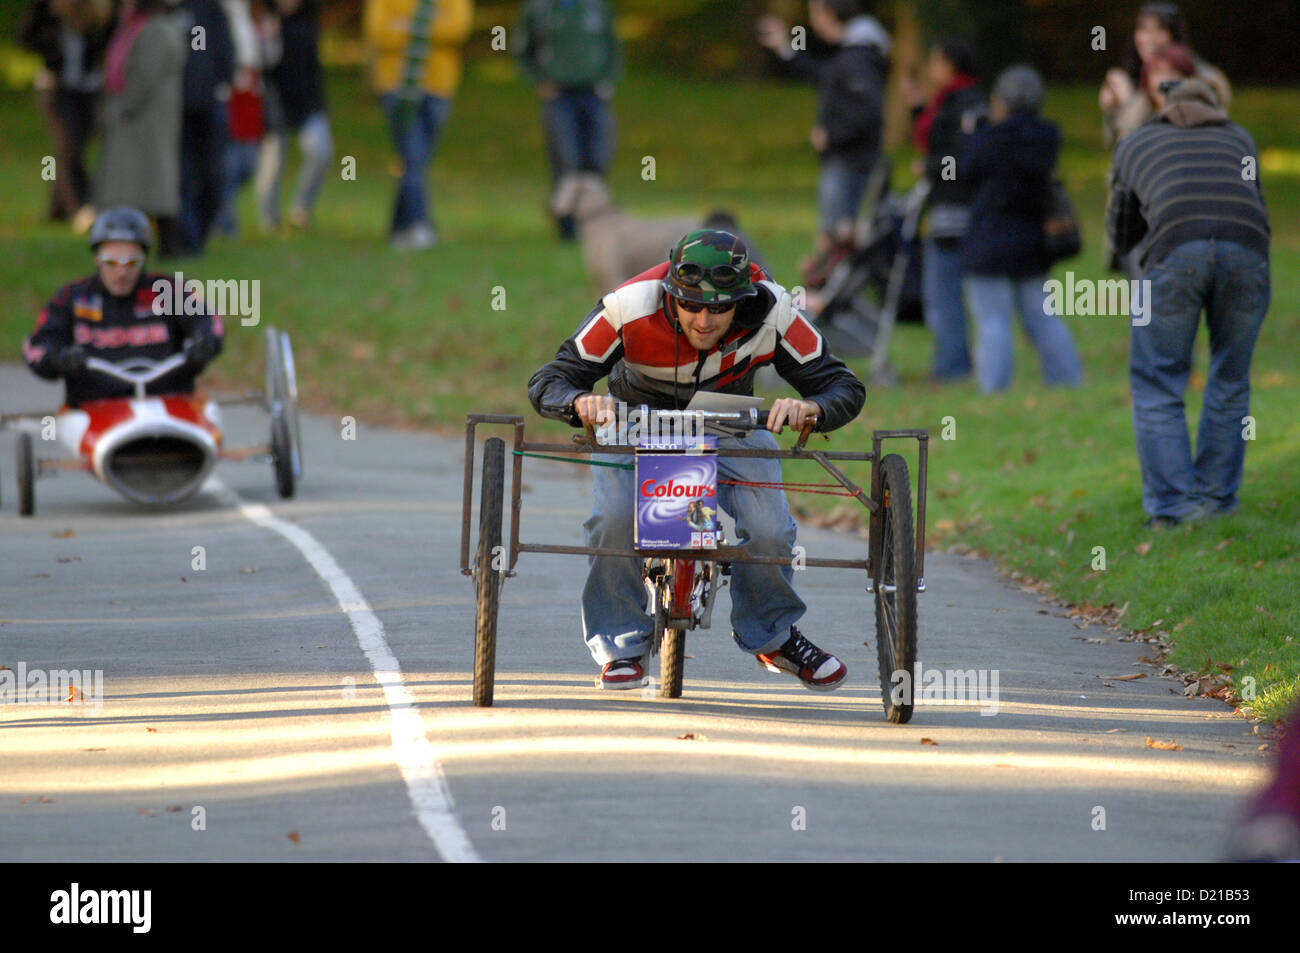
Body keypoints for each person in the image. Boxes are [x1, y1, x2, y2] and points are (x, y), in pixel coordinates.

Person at [528, 228, 865, 691]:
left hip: (730, 424)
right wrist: (579, 401)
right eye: (691, 306)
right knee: (614, 517)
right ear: (672, 294)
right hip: (634, 421)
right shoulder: (629, 306)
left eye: (720, 308)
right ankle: (621, 645)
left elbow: (842, 385)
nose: (704, 320)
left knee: (770, 527)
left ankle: (772, 635)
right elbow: (552, 377)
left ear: (741, 299)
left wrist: (814, 407)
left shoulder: (774, 310)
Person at [1107, 78, 1269, 528]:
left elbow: (1120, 231)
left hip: (1175, 253)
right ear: (1214, 105)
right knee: (1231, 379)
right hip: (1247, 254)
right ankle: (1217, 500)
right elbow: (1257, 208)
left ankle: (1176, 508)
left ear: (1163, 104)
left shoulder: (1137, 143)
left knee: (1157, 381)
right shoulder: (1239, 138)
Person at [959, 65, 1083, 394]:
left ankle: (994, 387)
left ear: (1001, 100)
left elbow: (965, 169)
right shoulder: (1047, 138)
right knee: (1042, 319)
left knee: (993, 321)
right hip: (1032, 242)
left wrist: (973, 131)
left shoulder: (988, 139)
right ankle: (1068, 381)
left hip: (988, 241)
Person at [22, 207, 224, 408]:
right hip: (94, 408)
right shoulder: (72, 297)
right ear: (96, 259)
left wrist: (204, 342)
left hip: (168, 404)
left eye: (132, 262)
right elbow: (38, 346)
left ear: (144, 260)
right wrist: (59, 359)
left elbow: (208, 322)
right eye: (111, 262)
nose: (121, 273)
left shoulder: (169, 290)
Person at [757, 0, 888, 239]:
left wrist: (832, 134)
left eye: (815, 13)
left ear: (830, 13)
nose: (813, 21)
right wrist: (786, 48)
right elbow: (823, 76)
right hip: (846, 159)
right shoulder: (850, 53)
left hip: (850, 161)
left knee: (837, 239)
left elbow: (867, 111)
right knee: (837, 238)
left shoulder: (857, 56)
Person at [903, 39, 985, 382]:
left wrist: (930, 167)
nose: (930, 68)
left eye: (935, 60)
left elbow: (965, 156)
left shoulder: (965, 104)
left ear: (950, 63)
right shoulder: (952, 100)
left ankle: (953, 366)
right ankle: (954, 360)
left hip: (955, 208)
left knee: (943, 289)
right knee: (945, 289)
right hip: (949, 205)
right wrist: (917, 109)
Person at [364, 0, 474, 250]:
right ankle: (419, 225)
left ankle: (398, 227)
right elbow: (378, 32)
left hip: (439, 86)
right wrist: (430, 26)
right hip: (397, 86)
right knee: (413, 156)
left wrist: (407, 26)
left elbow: (458, 28)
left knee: (418, 160)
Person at [514, 0, 621, 242]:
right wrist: (540, 81)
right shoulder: (539, 9)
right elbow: (523, 50)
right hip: (559, 95)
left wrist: (608, 79)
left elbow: (613, 45)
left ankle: (595, 221)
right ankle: (567, 228)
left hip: (594, 93)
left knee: (597, 157)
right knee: (566, 158)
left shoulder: (597, 7)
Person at [95, 0, 186, 258]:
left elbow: (143, 78)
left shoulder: (155, 31)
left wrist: (119, 108)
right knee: (141, 187)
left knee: (152, 187)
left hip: (145, 121)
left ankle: (166, 246)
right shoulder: (138, 27)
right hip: (140, 121)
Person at [20, 0, 116, 223]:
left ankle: (56, 210)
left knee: (76, 146)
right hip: (56, 86)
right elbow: (25, 38)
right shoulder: (46, 10)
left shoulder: (103, 11)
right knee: (68, 145)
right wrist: (50, 56)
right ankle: (79, 208)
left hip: (90, 87)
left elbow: (113, 41)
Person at [1098, 2, 1230, 149]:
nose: (1150, 39)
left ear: (1173, 34)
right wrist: (1111, 111)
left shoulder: (1197, 78)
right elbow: (1116, 147)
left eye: (1159, 30)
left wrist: (1128, 103)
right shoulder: (1130, 77)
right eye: (1143, 30)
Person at [258, 0, 333, 231]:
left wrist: (320, 104)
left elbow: (314, 67)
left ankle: (302, 208)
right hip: (275, 104)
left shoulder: (309, 25)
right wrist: (269, 39)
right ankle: (269, 218)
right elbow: (261, 66)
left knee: (321, 152)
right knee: (273, 163)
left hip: (307, 104)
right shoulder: (265, 25)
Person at [175, 0, 235, 254]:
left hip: (210, 105)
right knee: (182, 177)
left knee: (214, 175)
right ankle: (188, 240)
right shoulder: (168, 10)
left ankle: (200, 232)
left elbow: (225, 49)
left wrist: (221, 84)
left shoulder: (210, 8)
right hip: (177, 109)